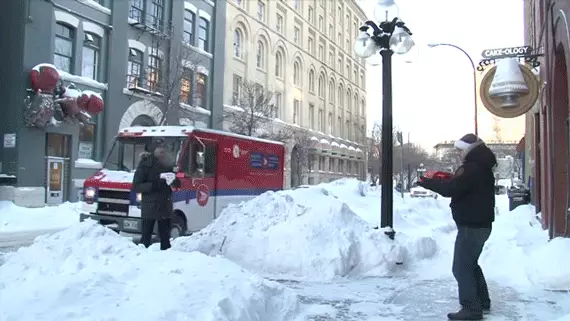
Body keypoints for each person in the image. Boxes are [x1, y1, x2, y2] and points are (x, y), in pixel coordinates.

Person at [417, 133, 496, 321]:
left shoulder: (472, 168)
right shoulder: (480, 166)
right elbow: (459, 185)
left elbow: (451, 189)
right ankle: (482, 302)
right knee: (470, 264)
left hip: (472, 226)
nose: (458, 154)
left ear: (469, 149)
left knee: (461, 267)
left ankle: (472, 309)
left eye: (460, 150)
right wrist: (449, 179)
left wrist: (427, 182)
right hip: (479, 224)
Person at [132, 138, 181, 250]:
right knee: (145, 240)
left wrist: (173, 180)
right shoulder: (146, 163)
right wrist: (153, 185)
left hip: (165, 206)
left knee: (165, 240)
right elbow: (136, 185)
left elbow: (178, 183)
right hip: (150, 206)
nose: (161, 150)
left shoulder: (169, 163)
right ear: (153, 149)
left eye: (163, 148)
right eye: (159, 148)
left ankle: (164, 262)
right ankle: (142, 260)